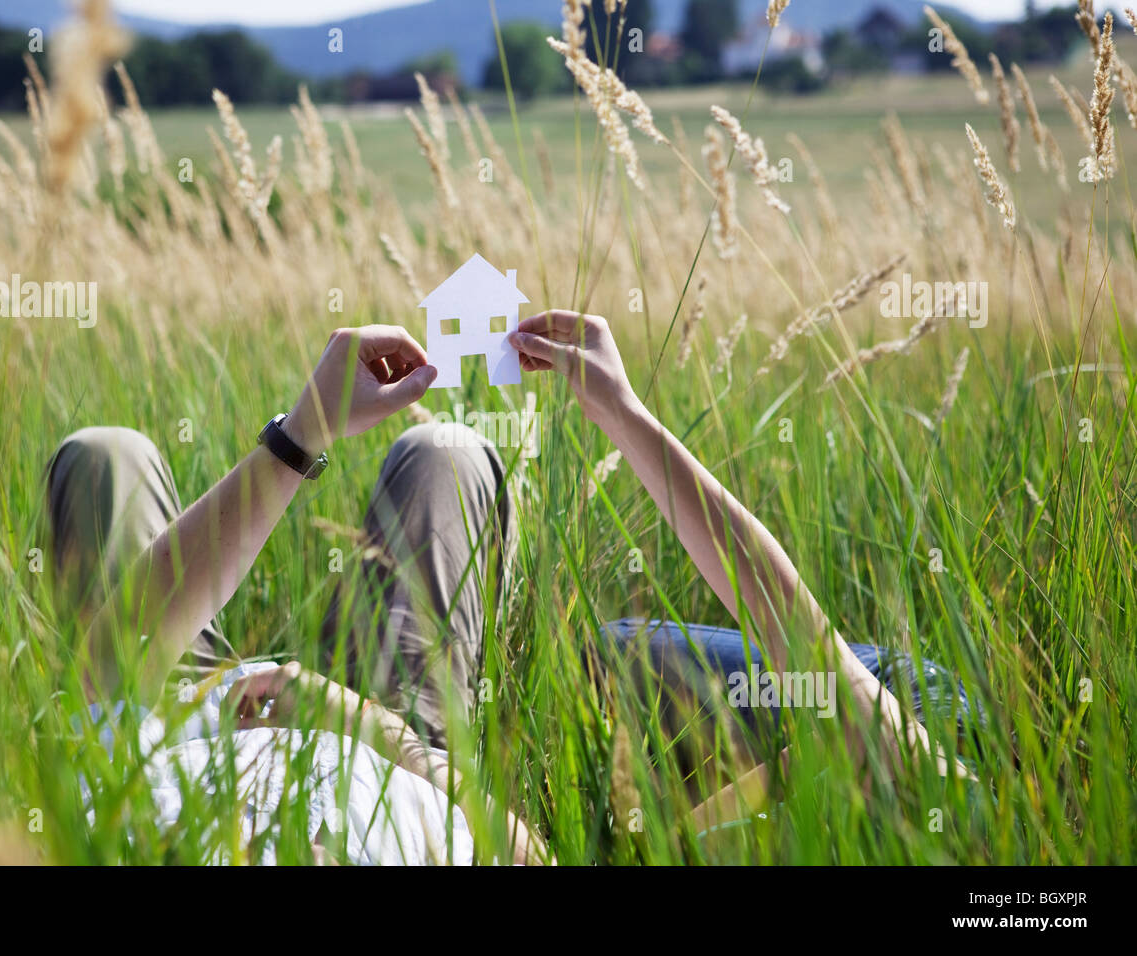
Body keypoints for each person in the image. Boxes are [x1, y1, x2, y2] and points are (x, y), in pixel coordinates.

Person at [48, 316, 977, 863]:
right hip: (380, 743)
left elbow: (110, 666)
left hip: (157, 721)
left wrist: (301, 435)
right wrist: (622, 408)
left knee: (101, 458)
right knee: (445, 453)